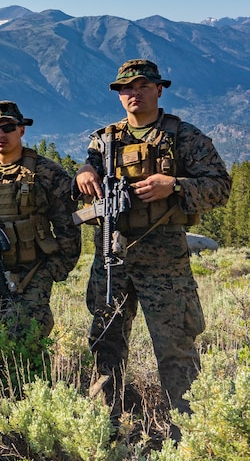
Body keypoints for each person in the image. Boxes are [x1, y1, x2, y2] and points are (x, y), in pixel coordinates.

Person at [74, 59, 231, 415]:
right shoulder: (104, 141)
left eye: (143, 86)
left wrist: (174, 185)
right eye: (126, 88)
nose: (134, 93)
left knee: (175, 347)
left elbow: (220, 187)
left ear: (159, 90)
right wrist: (83, 173)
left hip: (164, 260)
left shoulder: (183, 136)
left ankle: (188, 428)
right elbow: (86, 177)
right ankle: (107, 424)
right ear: (119, 95)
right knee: (105, 342)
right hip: (112, 257)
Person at [0, 101, 80, 344]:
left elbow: (67, 223)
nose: (1, 134)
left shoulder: (46, 172)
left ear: (21, 130)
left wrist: (56, 269)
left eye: (8, 128)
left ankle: (28, 371)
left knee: (28, 338)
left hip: (32, 271)